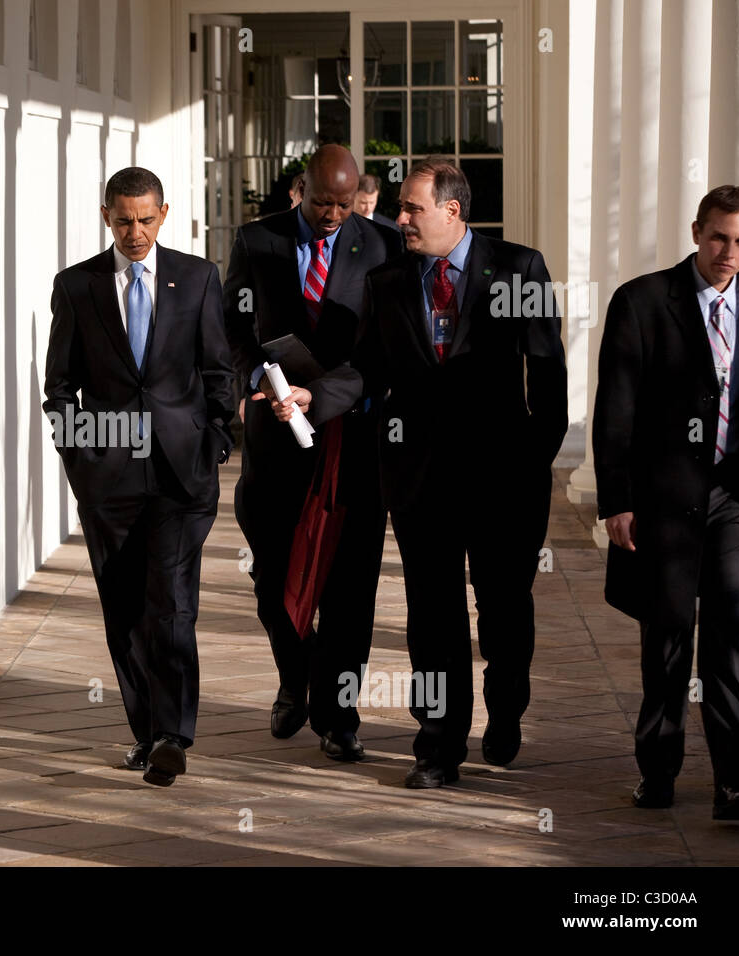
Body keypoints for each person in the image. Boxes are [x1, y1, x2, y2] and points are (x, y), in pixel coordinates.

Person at [308, 160, 567, 788]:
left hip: (504, 480)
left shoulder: (519, 268)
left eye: (412, 209)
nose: (400, 219)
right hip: (420, 477)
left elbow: (548, 374)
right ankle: (438, 744)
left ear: (452, 211)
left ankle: (506, 707)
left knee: (504, 611)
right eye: (400, 207)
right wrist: (316, 397)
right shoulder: (388, 279)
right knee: (432, 617)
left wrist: (534, 464)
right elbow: (368, 369)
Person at [43, 166, 235, 787]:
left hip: (182, 473)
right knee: (124, 611)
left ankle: (174, 735)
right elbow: (59, 388)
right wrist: (81, 462)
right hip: (109, 480)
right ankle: (148, 733)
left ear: (164, 214)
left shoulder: (200, 278)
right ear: (106, 217)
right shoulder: (78, 286)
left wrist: (217, 443)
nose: (135, 232)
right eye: (123, 220)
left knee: (172, 606)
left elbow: (217, 373)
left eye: (146, 219)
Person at [223, 145, 401, 760]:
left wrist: (317, 394)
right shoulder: (256, 241)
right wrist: (260, 384)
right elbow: (233, 330)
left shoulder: (382, 246)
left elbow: (382, 356)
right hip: (275, 442)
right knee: (273, 581)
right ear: (301, 190)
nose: (332, 214)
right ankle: (293, 678)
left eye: (344, 205)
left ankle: (338, 715)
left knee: (350, 590)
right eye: (322, 201)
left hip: (351, 441)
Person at [593, 184, 739, 820]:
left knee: (734, 638)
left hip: (736, 499)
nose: (729, 253)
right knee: (667, 640)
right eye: (719, 237)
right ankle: (657, 771)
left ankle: (734, 782)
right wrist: (617, 500)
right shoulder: (643, 301)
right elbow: (615, 409)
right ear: (695, 232)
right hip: (664, 500)